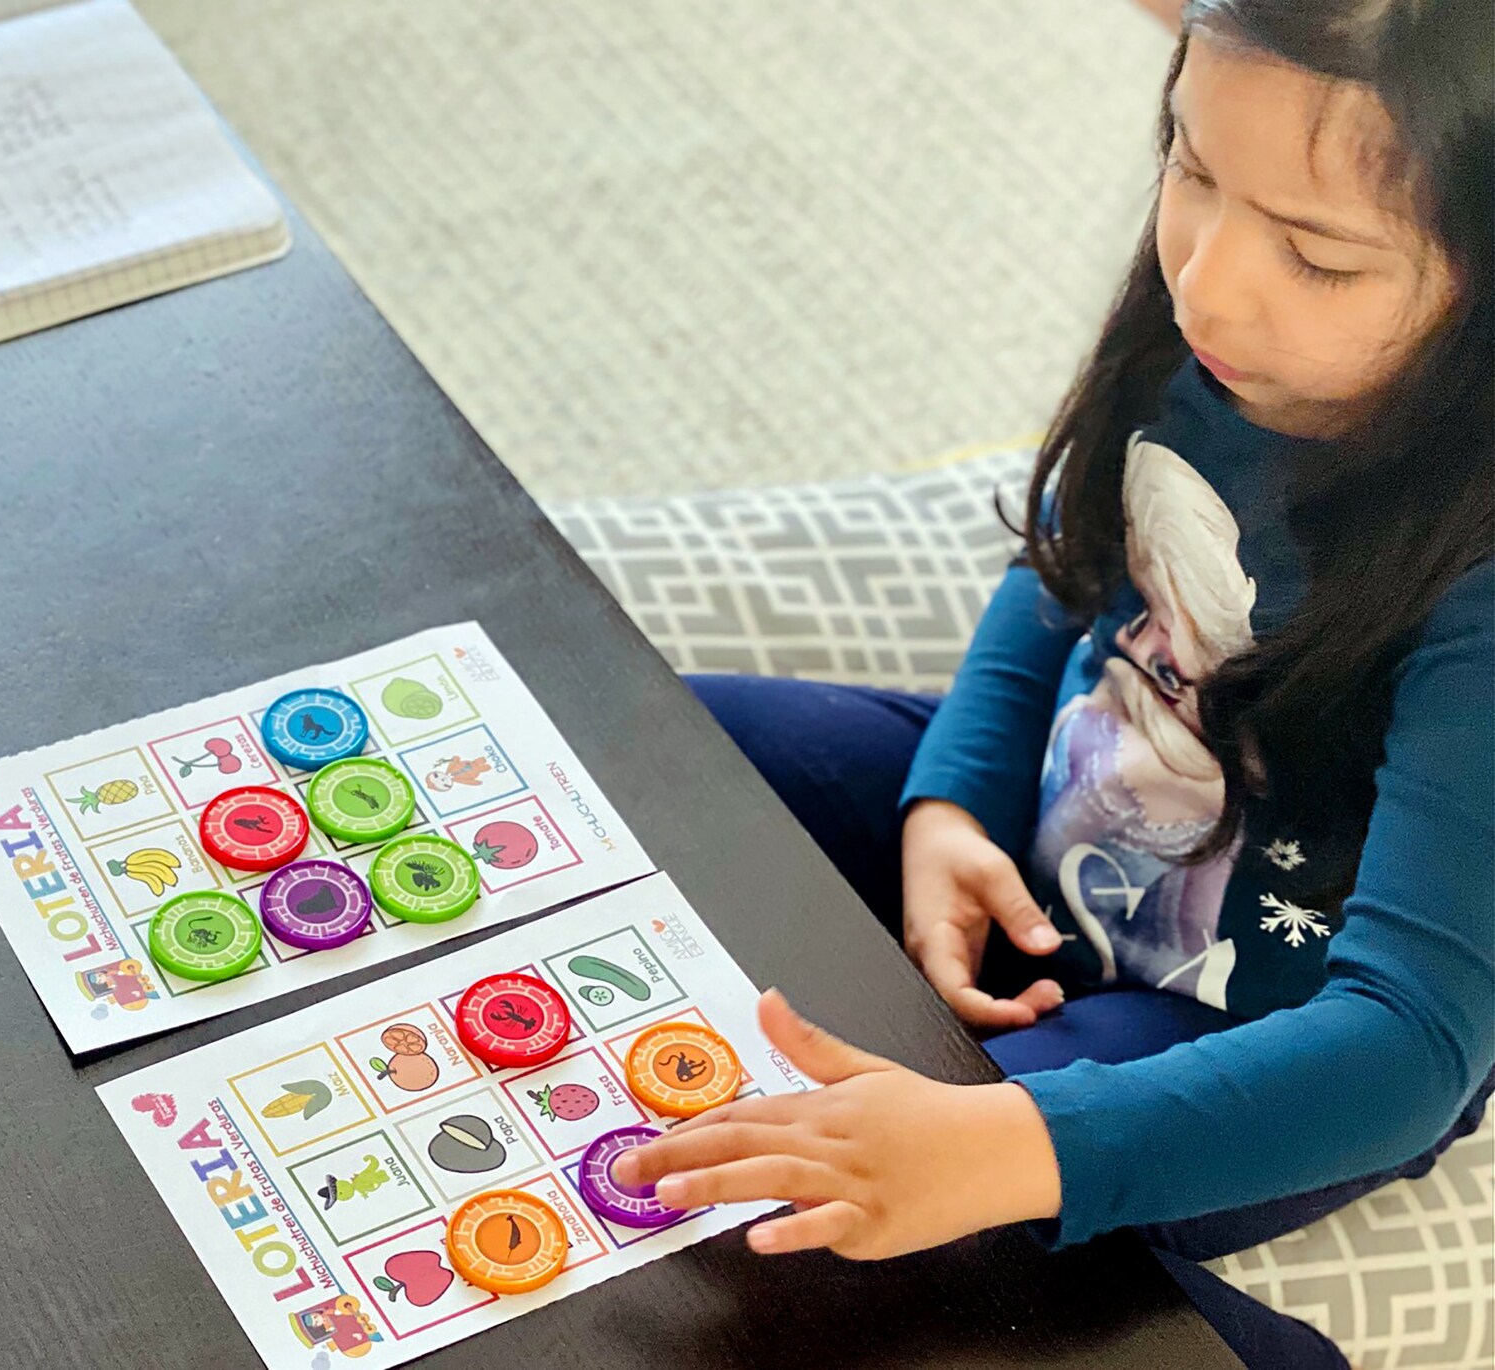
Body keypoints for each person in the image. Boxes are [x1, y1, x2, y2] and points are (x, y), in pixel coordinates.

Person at [614, 2, 1494, 1364]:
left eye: (1316, 257)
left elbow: (1407, 1046)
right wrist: (949, 800)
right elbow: (1074, 564)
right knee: (633, 740)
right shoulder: (1210, 332)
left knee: (808, 1233)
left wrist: (1000, 1142)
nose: (1206, 279)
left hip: (1255, 1016)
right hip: (1070, 803)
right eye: (1191, 172)